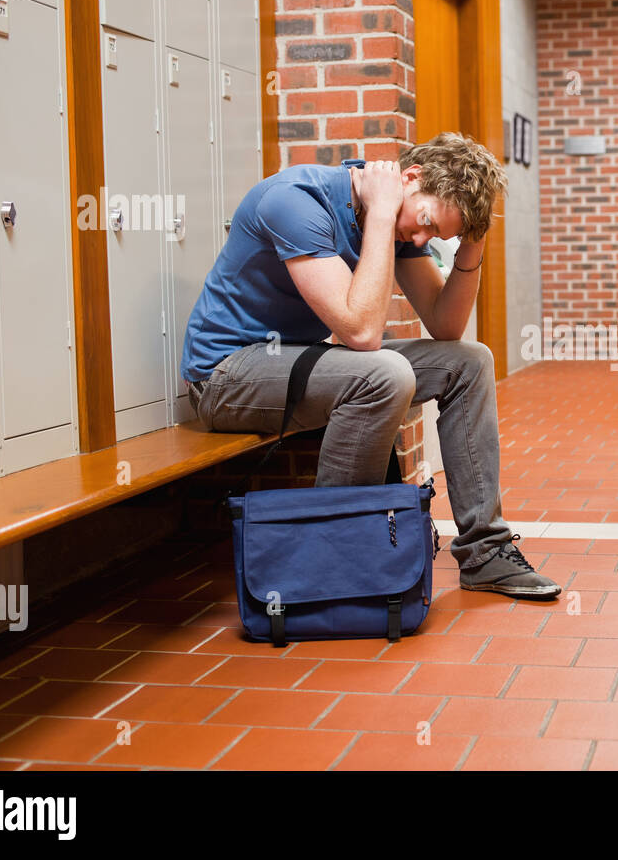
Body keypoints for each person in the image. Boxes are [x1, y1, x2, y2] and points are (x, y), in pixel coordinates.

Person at [180, 132, 559, 600]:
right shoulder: (296, 202)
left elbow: (445, 327)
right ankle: (334, 556)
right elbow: (361, 334)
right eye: (424, 223)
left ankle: (486, 553)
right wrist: (382, 217)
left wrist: (471, 247)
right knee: (383, 372)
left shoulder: (397, 219)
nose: (420, 239)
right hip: (227, 376)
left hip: (299, 364)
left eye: (435, 236)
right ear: (411, 177)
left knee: (470, 361)